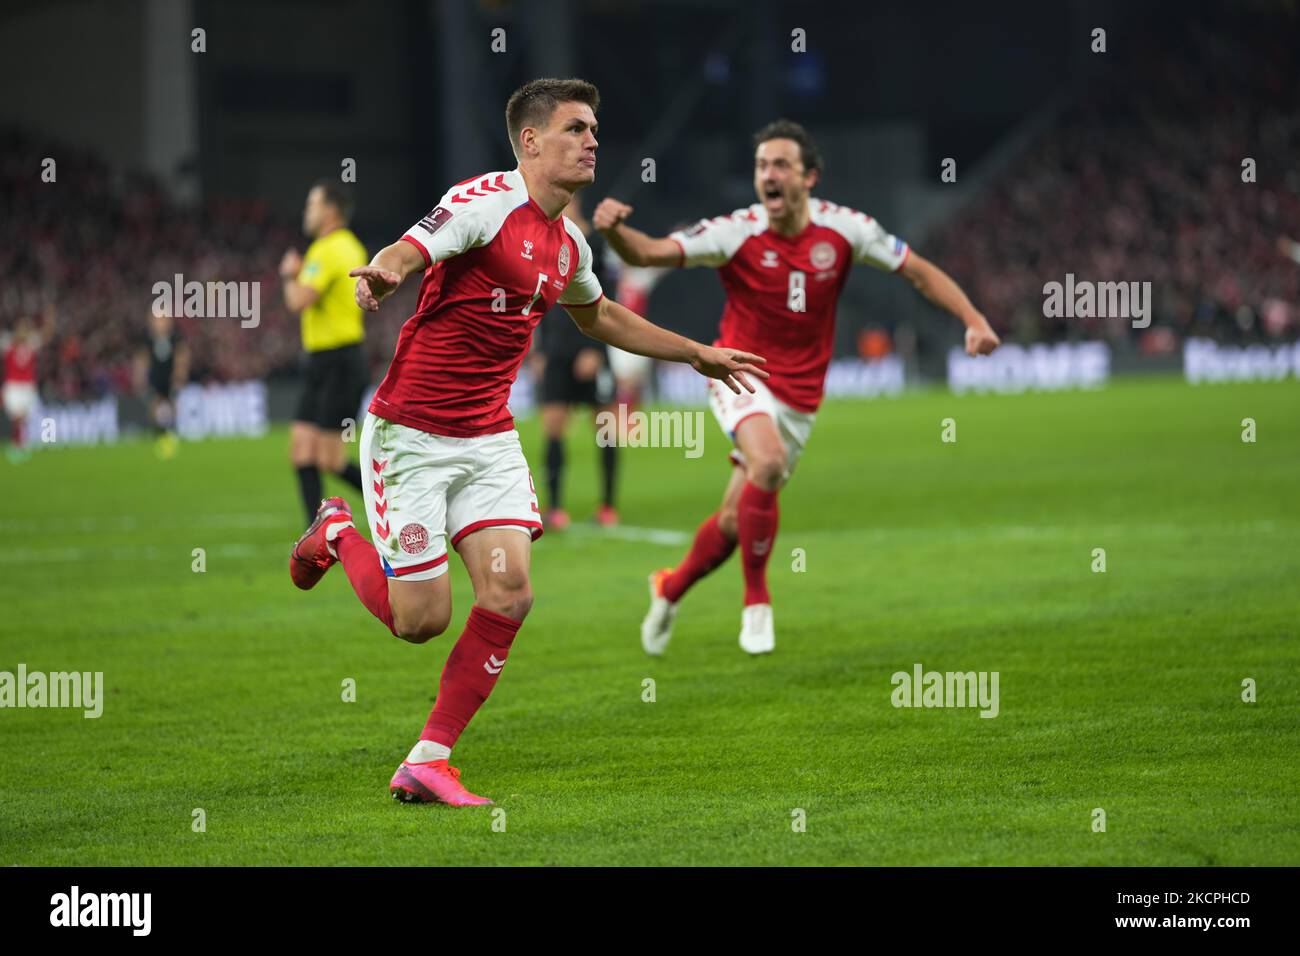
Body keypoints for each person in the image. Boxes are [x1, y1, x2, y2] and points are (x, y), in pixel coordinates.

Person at [288, 77, 766, 806]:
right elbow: (411, 247)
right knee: (421, 621)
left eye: (595, 130)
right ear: (532, 141)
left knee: (509, 593)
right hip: (411, 432)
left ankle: (429, 759)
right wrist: (387, 272)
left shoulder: (569, 242)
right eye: (576, 128)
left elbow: (600, 317)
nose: (592, 141)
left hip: (487, 437)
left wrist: (695, 352)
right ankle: (336, 530)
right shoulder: (483, 202)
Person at [593, 119, 1000, 657]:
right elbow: (648, 254)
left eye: (781, 164)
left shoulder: (846, 229)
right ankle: (757, 601)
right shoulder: (736, 230)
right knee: (766, 461)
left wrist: (973, 318)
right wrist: (617, 232)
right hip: (739, 371)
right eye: (762, 165)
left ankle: (669, 588)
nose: (769, 175)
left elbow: (919, 271)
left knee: (737, 519)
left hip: (803, 395)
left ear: (810, 177)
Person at [280, 180, 370, 522]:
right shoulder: (349, 247)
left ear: (330, 209)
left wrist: (290, 276)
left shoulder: (328, 249)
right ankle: (315, 533)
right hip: (326, 362)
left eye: (311, 204)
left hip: (339, 362)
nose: (307, 211)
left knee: (329, 459)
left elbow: (300, 300)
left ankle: (395, 505)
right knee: (302, 451)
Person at [535, 195, 618, 529]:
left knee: (606, 430)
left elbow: (607, 299)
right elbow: (540, 298)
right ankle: (554, 508)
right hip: (556, 352)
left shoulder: (595, 242)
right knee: (553, 426)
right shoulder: (546, 243)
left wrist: (595, 349)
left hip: (591, 348)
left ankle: (608, 506)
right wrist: (539, 349)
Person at [135, 308, 189, 458]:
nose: (159, 323)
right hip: (155, 379)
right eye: (157, 319)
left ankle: (173, 432)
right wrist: (140, 378)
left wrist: (179, 376)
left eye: (163, 319)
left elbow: (182, 356)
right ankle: (157, 435)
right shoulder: (147, 340)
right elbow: (141, 360)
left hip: (170, 378)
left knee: (172, 405)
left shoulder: (175, 338)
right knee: (154, 406)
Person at [2, 316, 41, 463]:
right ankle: (17, 445)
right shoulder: (8, 345)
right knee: (16, 418)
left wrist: (51, 319)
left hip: (27, 386)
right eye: (21, 329)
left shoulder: (31, 345)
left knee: (23, 418)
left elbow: (45, 335)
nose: (23, 333)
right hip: (13, 386)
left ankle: (20, 444)